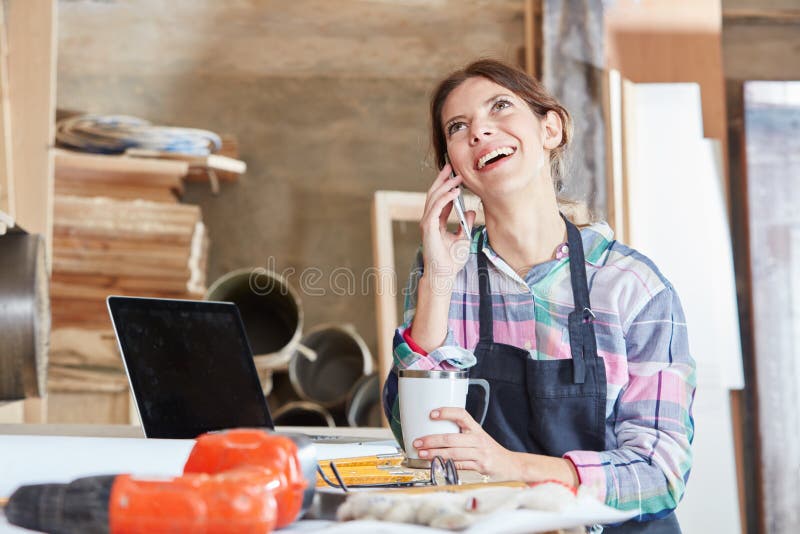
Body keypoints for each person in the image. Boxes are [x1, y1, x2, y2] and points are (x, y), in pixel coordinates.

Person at [381, 59, 695, 533]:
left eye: (500, 107)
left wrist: (513, 467)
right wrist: (438, 284)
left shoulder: (633, 288)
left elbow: (661, 475)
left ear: (551, 128)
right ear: (454, 169)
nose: (480, 132)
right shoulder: (442, 274)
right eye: (458, 126)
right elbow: (419, 441)